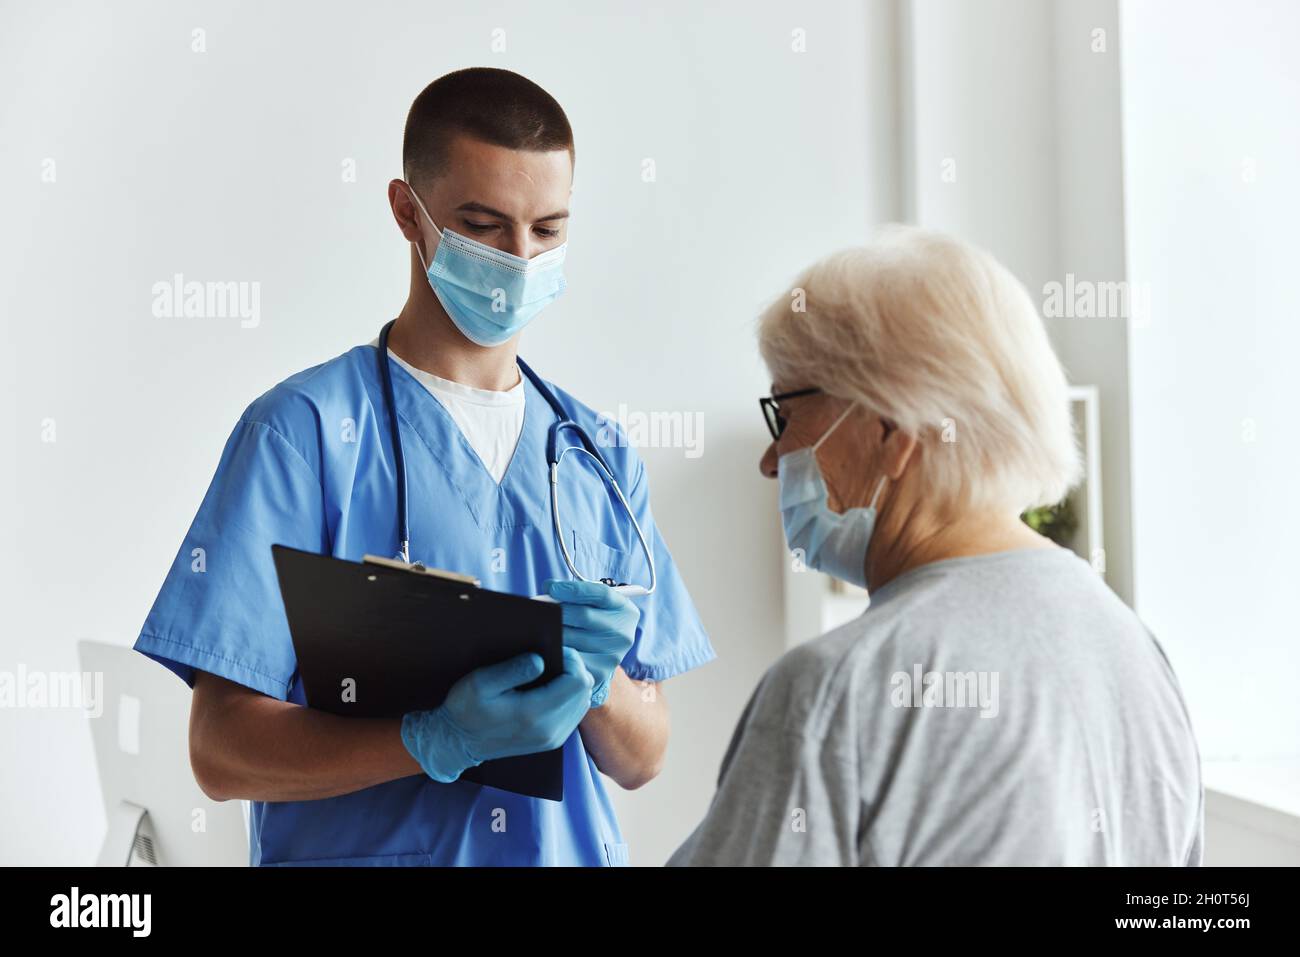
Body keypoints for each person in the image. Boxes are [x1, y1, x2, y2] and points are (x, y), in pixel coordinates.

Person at [135, 68, 714, 867]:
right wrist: (429, 739)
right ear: (408, 211)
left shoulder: (597, 453)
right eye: (484, 225)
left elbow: (644, 756)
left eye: (546, 230)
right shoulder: (303, 436)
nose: (519, 259)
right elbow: (220, 750)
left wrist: (601, 681)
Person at [668, 226, 1202, 866]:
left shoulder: (836, 688)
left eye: (786, 414)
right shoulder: (1135, 654)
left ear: (892, 430)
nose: (770, 459)